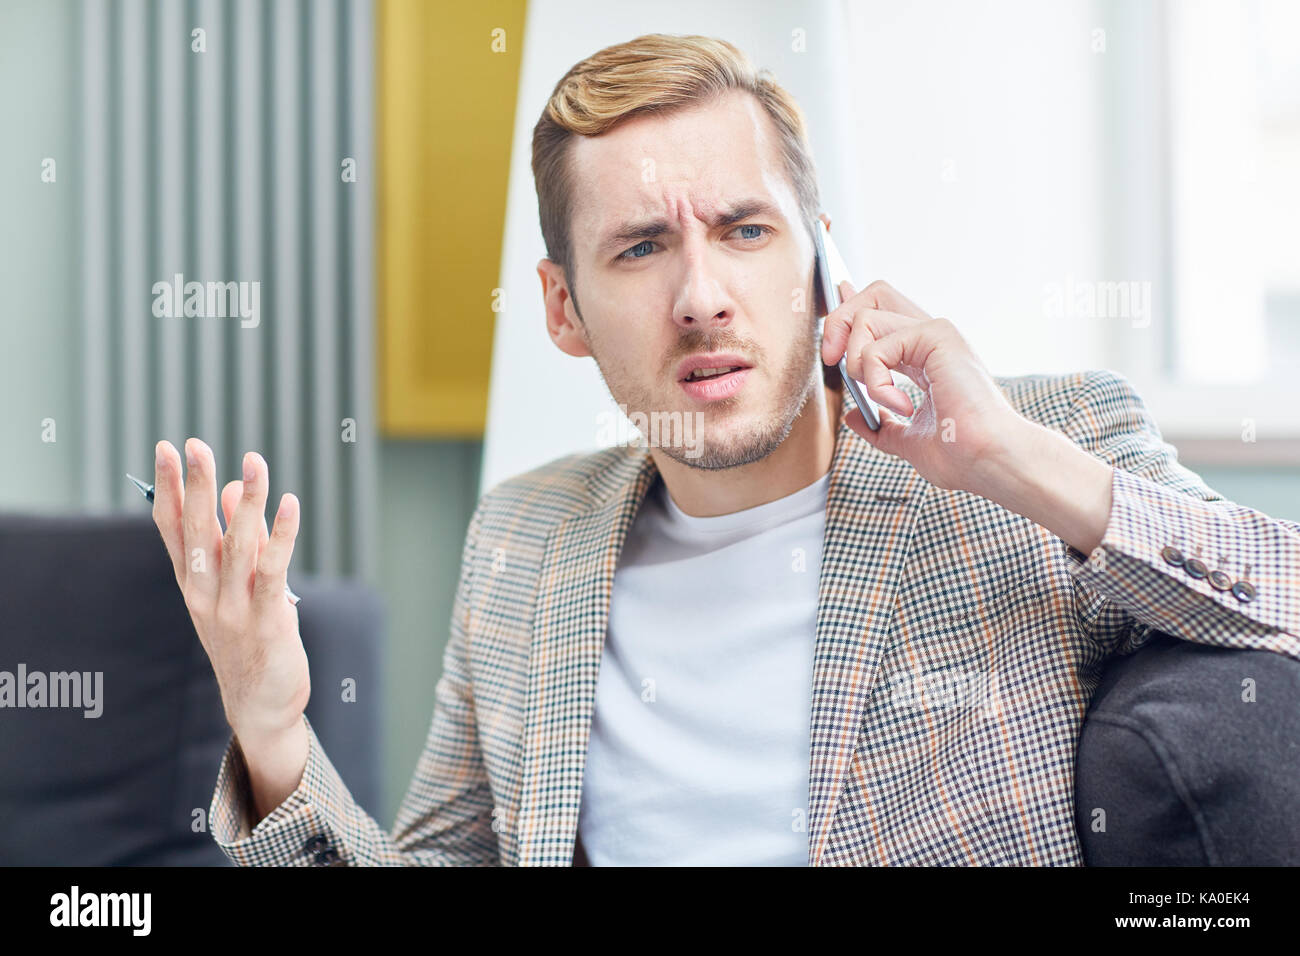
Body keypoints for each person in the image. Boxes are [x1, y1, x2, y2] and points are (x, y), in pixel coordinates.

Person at [150, 33, 1300, 866]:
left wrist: (1006, 456)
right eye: (641, 247)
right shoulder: (522, 535)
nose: (700, 295)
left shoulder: (1044, 447)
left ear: (820, 262)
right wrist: (272, 728)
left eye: (744, 231)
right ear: (562, 309)